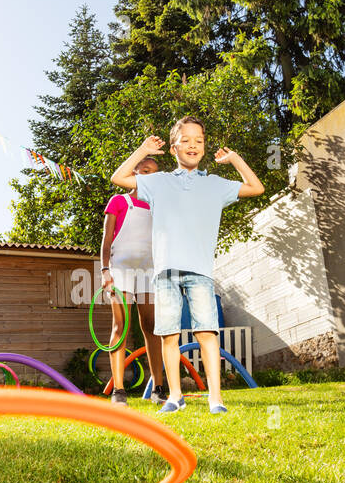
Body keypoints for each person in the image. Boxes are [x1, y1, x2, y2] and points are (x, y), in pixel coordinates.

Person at [110, 116, 263, 415]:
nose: (193, 145)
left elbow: (255, 187)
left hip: (200, 272)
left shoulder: (216, 185)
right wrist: (143, 151)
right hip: (165, 272)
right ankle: (174, 396)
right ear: (173, 147)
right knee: (168, 334)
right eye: (186, 140)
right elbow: (119, 178)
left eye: (199, 140)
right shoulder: (158, 182)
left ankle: (216, 399)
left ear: (204, 147)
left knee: (207, 332)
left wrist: (235, 159)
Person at [100, 155, 165, 405]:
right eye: (145, 170)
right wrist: (105, 271)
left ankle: (158, 388)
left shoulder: (159, 208)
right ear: (134, 173)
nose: (149, 176)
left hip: (149, 271)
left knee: (151, 326)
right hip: (121, 270)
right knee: (121, 326)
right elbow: (106, 241)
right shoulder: (119, 201)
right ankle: (119, 390)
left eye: (154, 173)